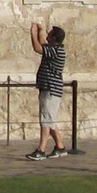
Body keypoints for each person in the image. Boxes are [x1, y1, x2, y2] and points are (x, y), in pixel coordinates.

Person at [26, 22, 67, 160]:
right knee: (50, 119)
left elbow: (38, 47)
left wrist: (32, 33)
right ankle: (60, 147)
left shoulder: (56, 51)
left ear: (54, 38)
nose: (47, 36)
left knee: (46, 120)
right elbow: (43, 43)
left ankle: (41, 150)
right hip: (48, 88)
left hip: (51, 89)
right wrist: (41, 31)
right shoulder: (54, 48)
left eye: (50, 34)